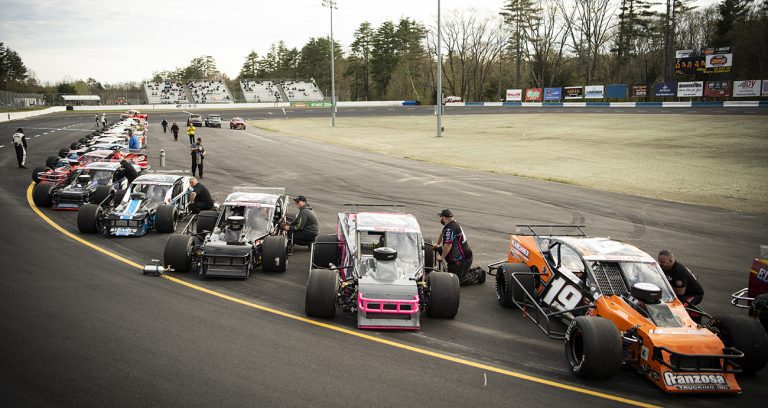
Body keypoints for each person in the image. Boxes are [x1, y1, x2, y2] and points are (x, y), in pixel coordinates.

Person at [433, 209, 482, 286]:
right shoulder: (451, 224)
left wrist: (442, 257)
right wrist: (437, 244)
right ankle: (468, 271)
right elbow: (442, 233)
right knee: (451, 275)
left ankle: (479, 274)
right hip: (461, 257)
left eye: (440, 217)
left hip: (462, 259)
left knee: (455, 281)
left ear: (445, 218)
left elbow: (448, 245)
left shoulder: (450, 229)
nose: (440, 219)